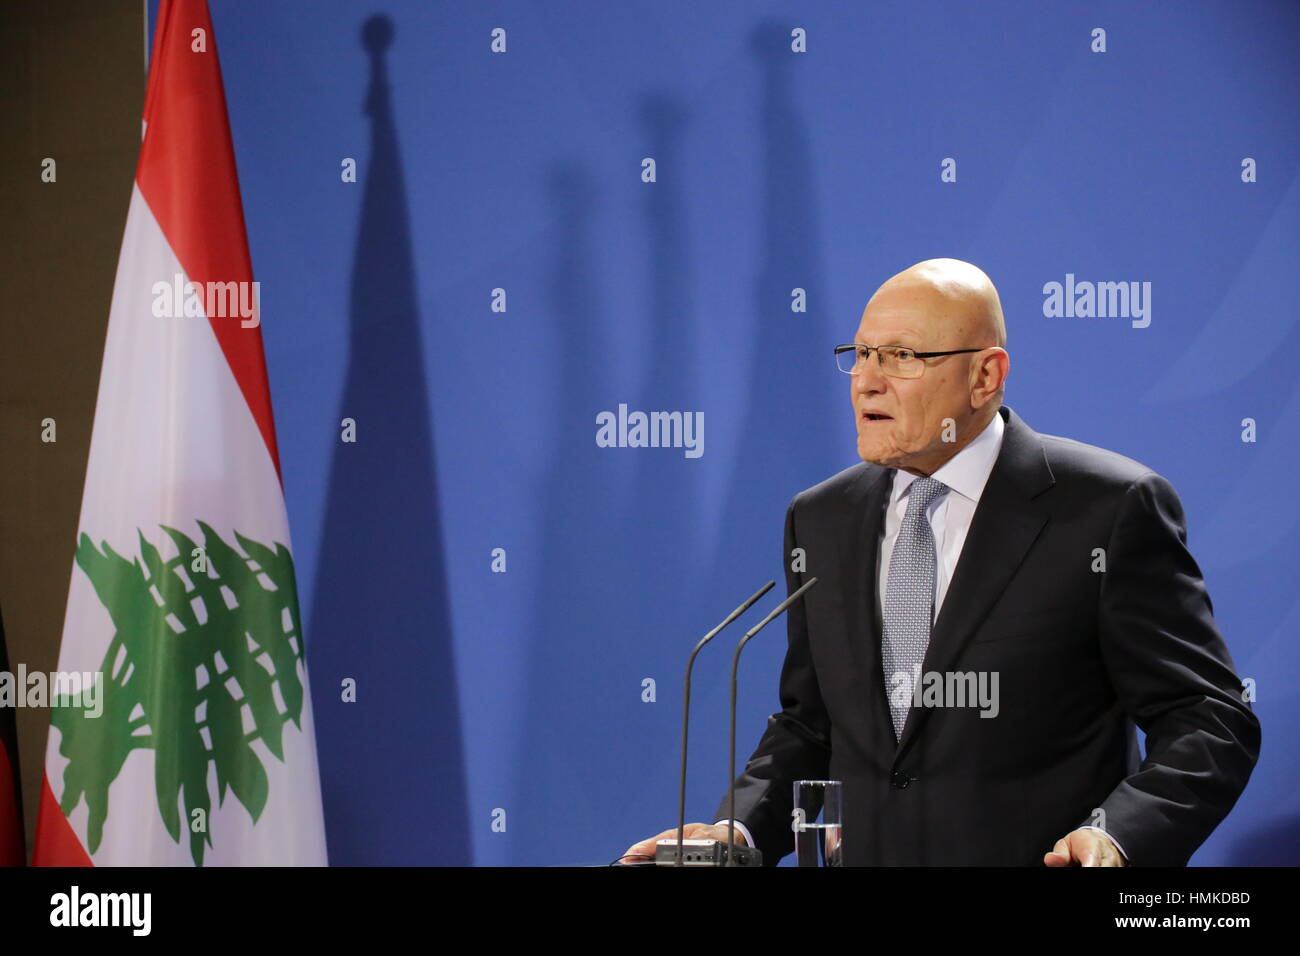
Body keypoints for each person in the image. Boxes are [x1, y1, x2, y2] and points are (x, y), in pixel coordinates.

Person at [623, 258, 1260, 866]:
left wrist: (1119, 836)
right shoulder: (820, 518)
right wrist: (736, 831)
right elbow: (813, 726)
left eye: (902, 356)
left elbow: (1207, 718)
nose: (868, 380)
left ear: (985, 376)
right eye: (861, 355)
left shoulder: (1107, 509)